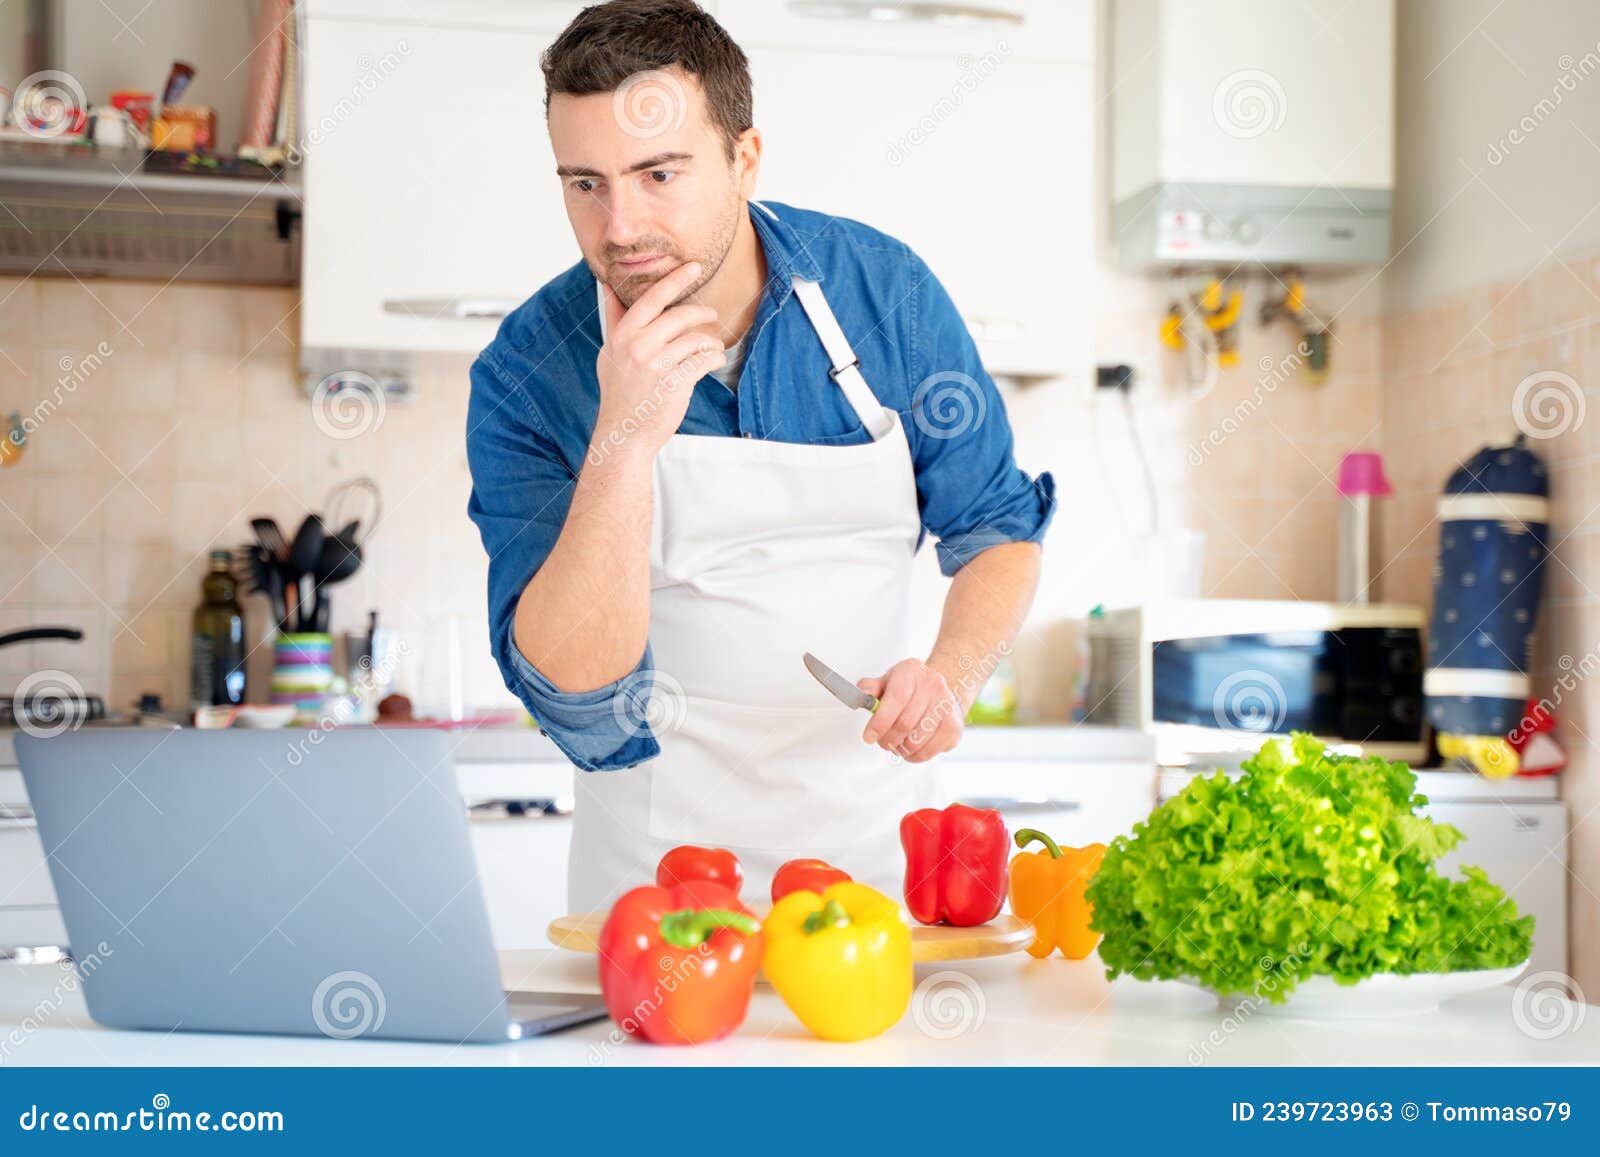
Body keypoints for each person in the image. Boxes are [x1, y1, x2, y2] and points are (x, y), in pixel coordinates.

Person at [466, 0, 1054, 912]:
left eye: (658, 173)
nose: (619, 227)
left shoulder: (883, 292)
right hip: (655, 900)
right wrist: (624, 437)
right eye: (585, 183)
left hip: (872, 882)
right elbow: (579, 702)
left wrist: (948, 680)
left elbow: (998, 529)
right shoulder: (527, 372)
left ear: (745, 160)